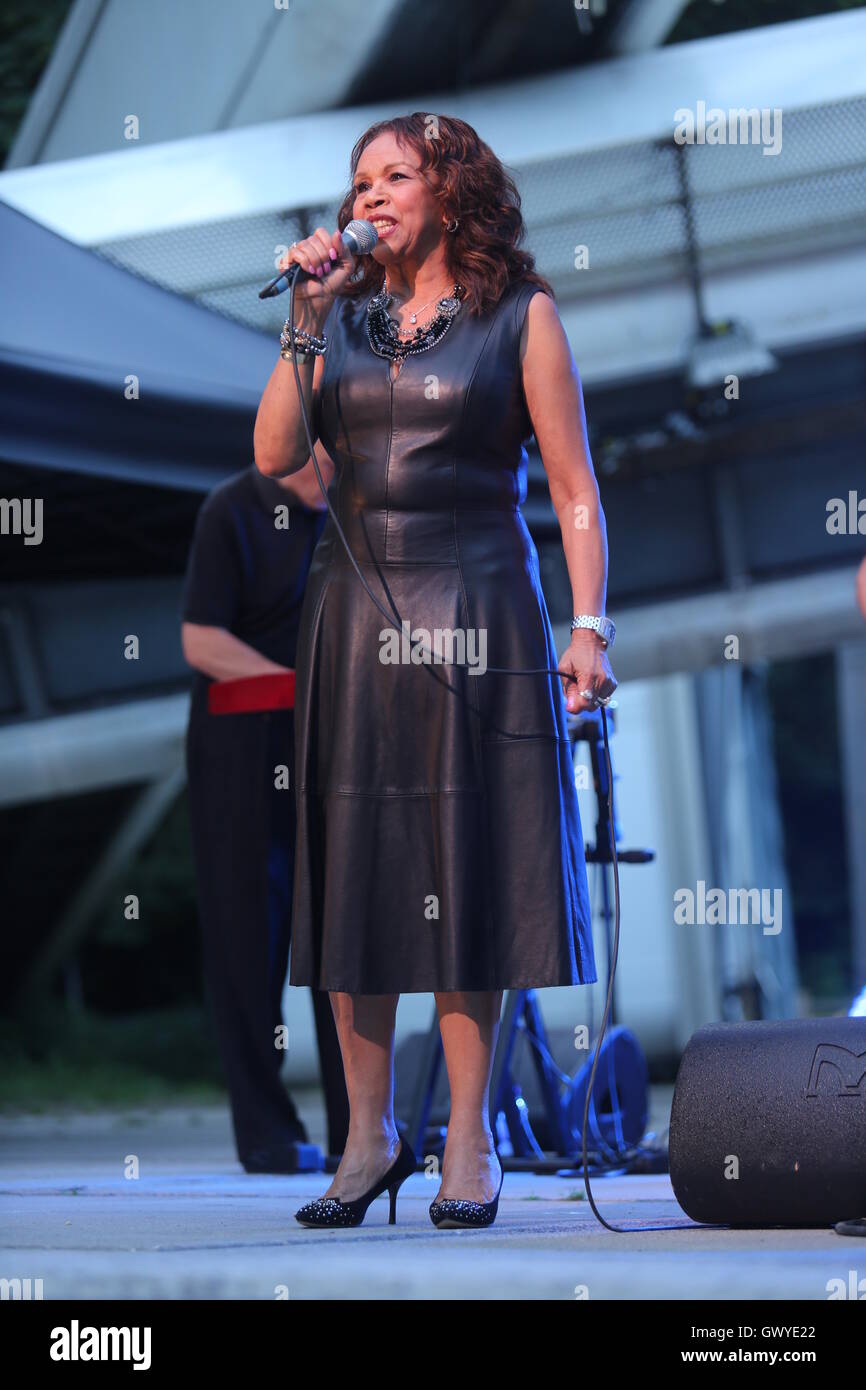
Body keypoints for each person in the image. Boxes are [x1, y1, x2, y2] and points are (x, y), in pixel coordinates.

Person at [253, 112, 616, 1227]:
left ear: (449, 191)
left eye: (393, 176)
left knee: (469, 873)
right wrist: (304, 324)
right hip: (352, 614)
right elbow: (273, 457)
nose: (369, 196)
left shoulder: (521, 315)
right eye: (359, 180)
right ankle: (367, 1141)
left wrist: (589, 623)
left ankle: (467, 1139)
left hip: (479, 606)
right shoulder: (340, 313)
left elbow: (572, 489)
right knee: (355, 867)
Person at [181, 455, 349, 1171]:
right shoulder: (230, 510)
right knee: (251, 937)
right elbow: (201, 641)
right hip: (243, 751)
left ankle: (361, 1131)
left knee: (342, 939)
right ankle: (266, 1132)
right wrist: (298, 686)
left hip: (331, 744)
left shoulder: (350, 511)